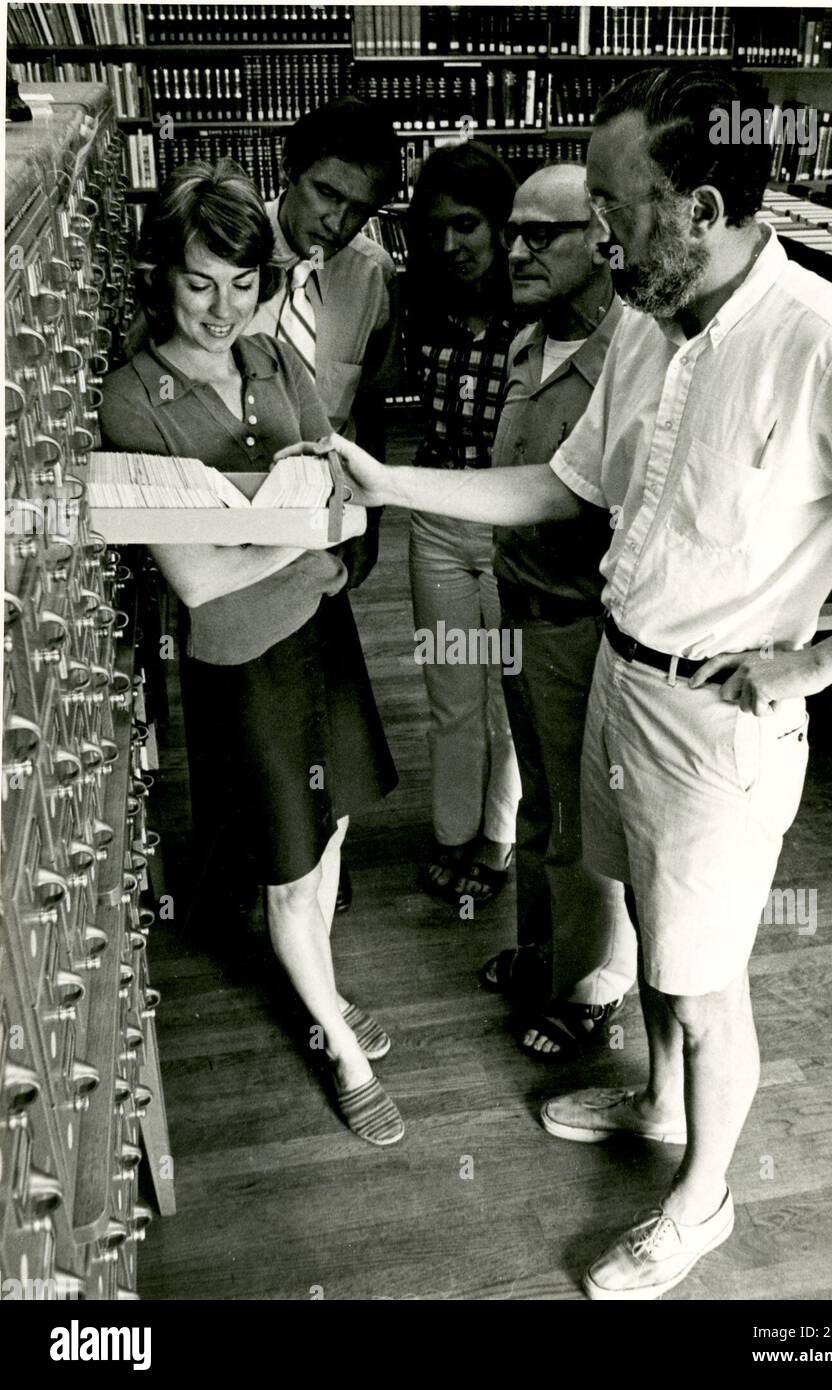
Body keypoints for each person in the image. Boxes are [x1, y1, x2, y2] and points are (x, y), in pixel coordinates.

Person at [301, 67, 832, 1291]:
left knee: (706, 987)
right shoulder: (649, 325)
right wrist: (390, 483)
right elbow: (562, 488)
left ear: (698, 205)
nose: (596, 233)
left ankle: (703, 1201)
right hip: (617, 677)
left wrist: (812, 663)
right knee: (651, 936)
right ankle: (656, 1104)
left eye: (614, 205)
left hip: (719, 723)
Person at [100, 160, 403, 1148]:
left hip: (322, 631)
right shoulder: (134, 401)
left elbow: (339, 485)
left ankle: (325, 986)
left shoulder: (275, 363)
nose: (222, 307)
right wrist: (305, 527)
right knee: (286, 863)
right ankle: (339, 1045)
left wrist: (314, 521)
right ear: (162, 276)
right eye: (198, 281)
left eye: (243, 284)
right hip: (243, 659)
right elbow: (197, 579)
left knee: (330, 837)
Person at [481, 163, 638, 1058]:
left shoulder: (632, 357)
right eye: (513, 232)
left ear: (603, 240)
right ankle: (546, 951)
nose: (516, 250)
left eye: (543, 234)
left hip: (579, 622)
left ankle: (592, 989)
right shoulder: (527, 340)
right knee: (537, 799)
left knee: (584, 821)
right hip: (517, 605)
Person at [248, 97, 402, 911]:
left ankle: (310, 861)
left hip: (321, 511)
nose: (335, 222)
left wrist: (367, 517)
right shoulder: (228, 247)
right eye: (323, 194)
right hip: (229, 514)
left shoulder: (369, 271)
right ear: (288, 168)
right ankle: (270, 861)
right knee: (248, 691)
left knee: (321, 690)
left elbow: (365, 396)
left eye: (358, 208)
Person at [405, 141, 522, 908]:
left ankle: (499, 837)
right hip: (440, 523)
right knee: (450, 693)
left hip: (516, 526)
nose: (451, 245)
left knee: (513, 702)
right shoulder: (416, 302)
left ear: (504, 225)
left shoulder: (539, 310)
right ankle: (451, 833)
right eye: (436, 228)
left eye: (469, 225)